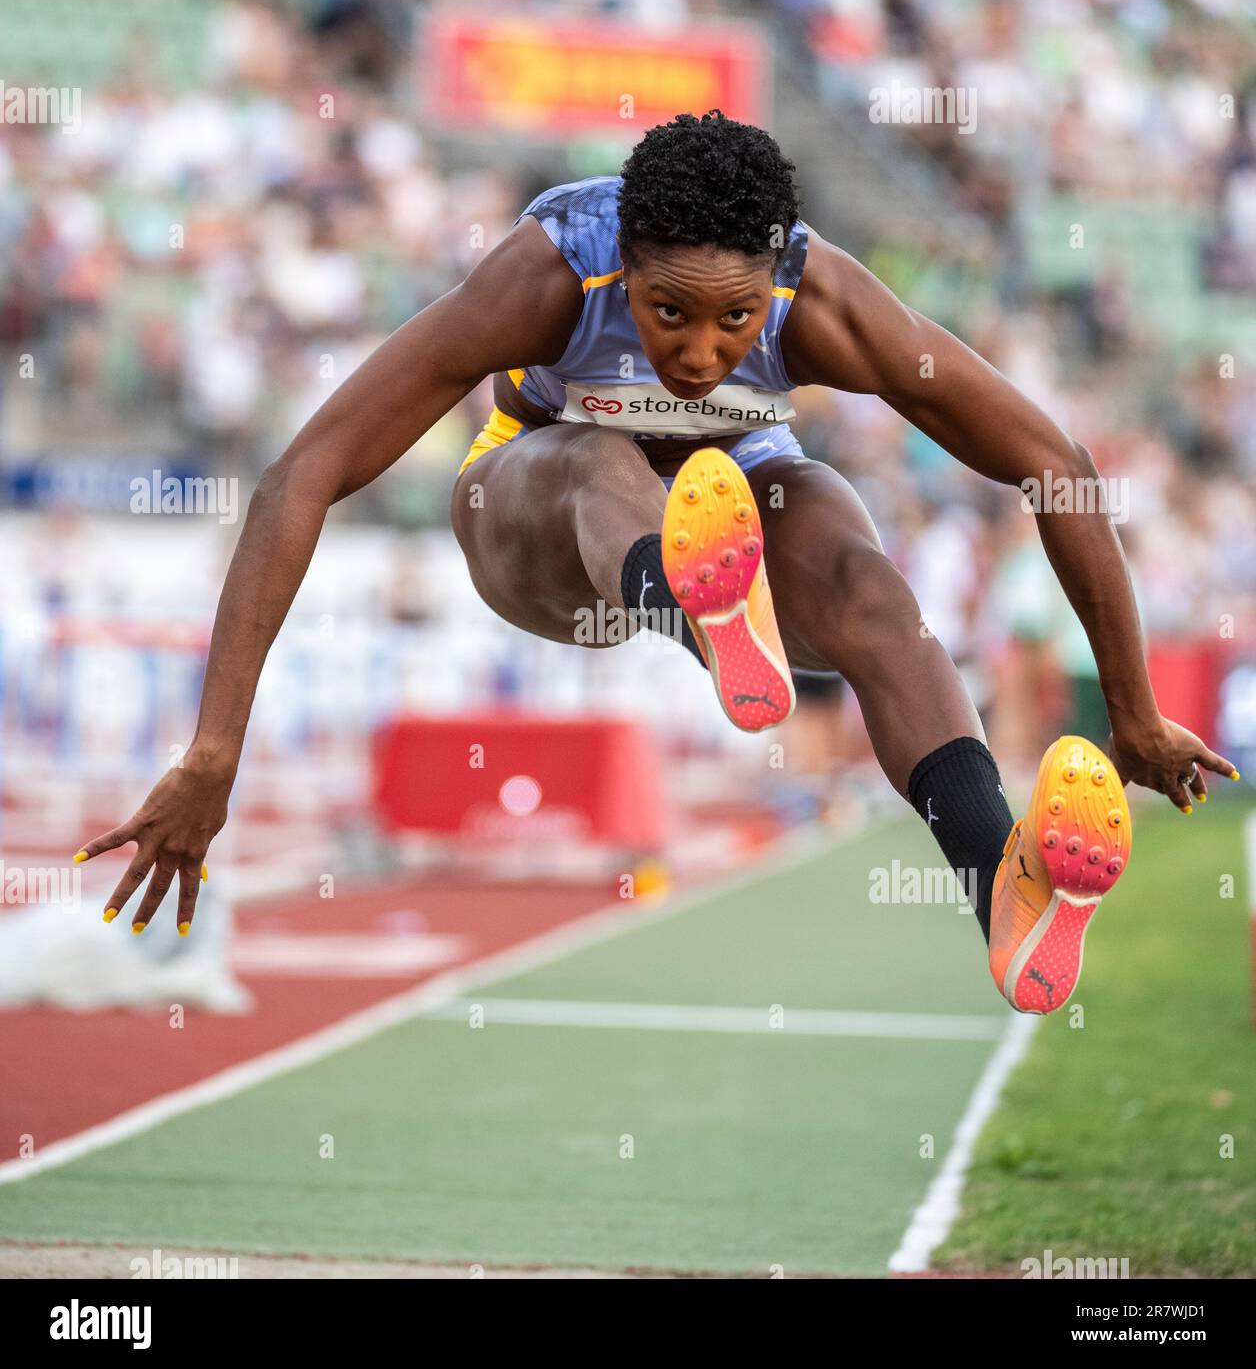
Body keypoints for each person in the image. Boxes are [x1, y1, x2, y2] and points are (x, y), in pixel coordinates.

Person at [77, 112, 1238, 1014]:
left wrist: (1130, 711)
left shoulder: (824, 301)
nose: (696, 350)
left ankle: (998, 881)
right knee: (596, 456)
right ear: (624, 256)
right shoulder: (545, 273)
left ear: (776, 279)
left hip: (739, 485)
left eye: (733, 322)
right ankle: (698, 607)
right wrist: (214, 748)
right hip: (536, 512)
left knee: (873, 587)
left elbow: (1052, 458)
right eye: (667, 309)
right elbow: (304, 471)